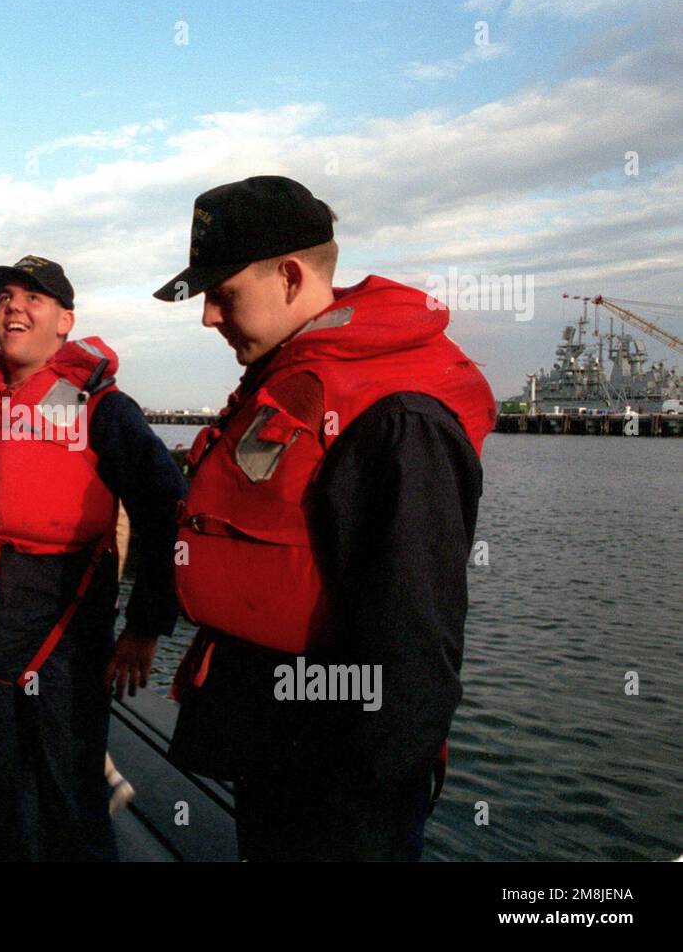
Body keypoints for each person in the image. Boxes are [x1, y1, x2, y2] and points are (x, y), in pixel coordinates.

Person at [152, 175, 496, 861]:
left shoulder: (398, 417)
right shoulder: (290, 383)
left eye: (223, 295)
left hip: (340, 794)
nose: (208, 318)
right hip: (277, 756)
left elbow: (415, 651)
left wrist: (370, 811)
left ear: (288, 276)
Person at [0, 256, 186, 861]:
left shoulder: (100, 407)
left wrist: (146, 626)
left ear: (65, 321)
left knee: (67, 794)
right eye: (5, 297)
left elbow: (165, 513)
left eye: (33, 298)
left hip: (66, 622)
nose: (13, 306)